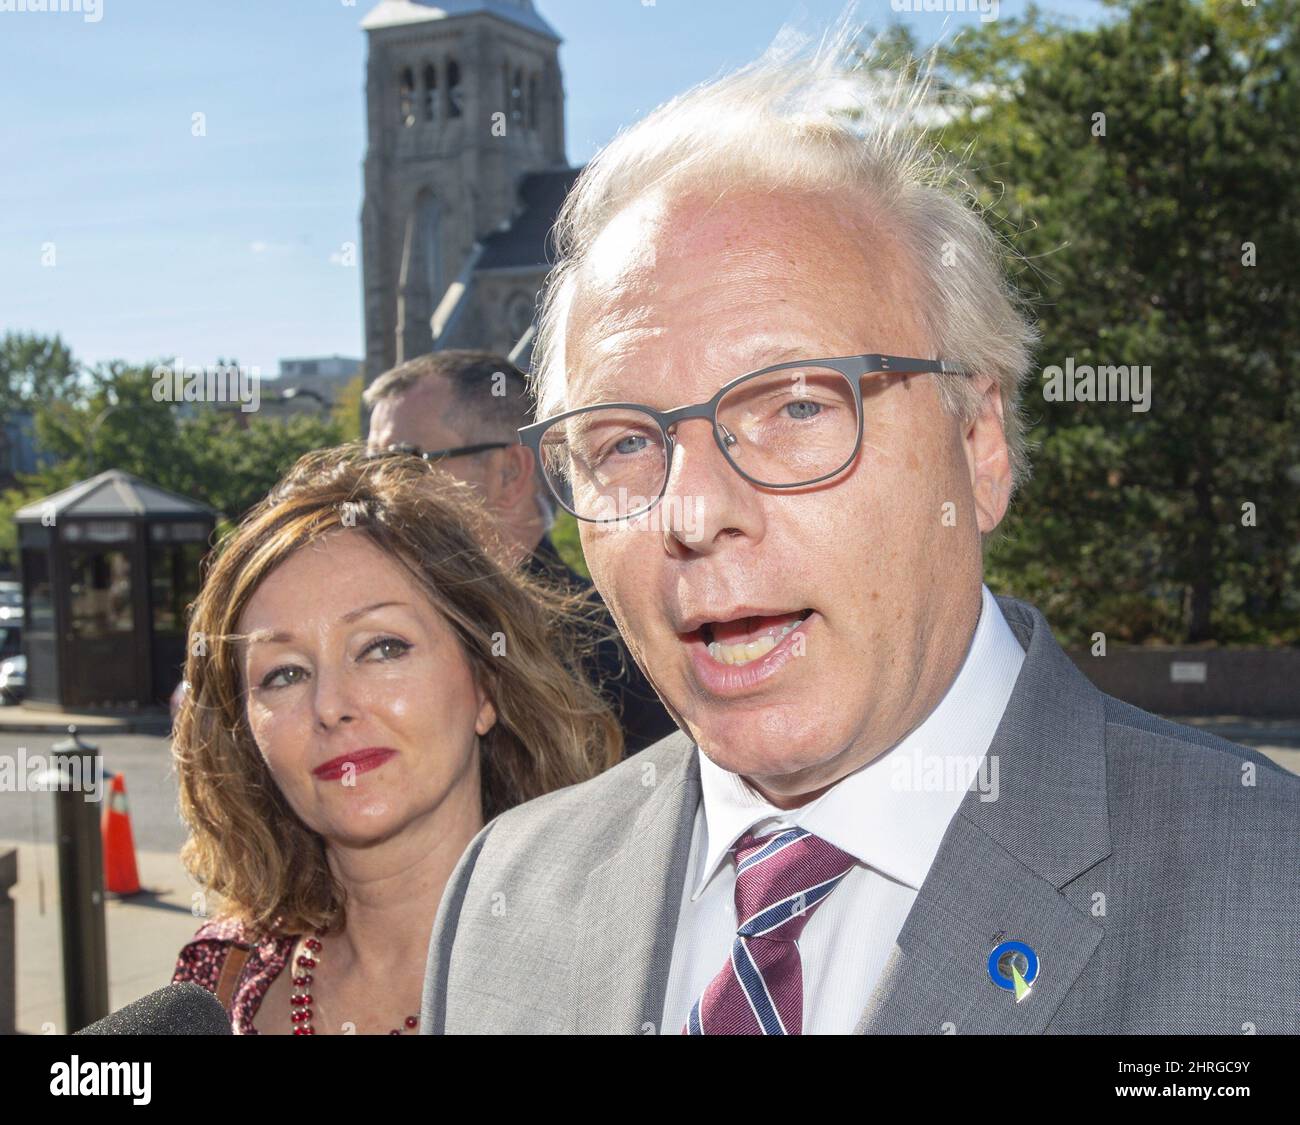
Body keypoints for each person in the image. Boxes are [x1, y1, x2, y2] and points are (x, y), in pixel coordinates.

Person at [419, 23, 1300, 1035]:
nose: (695, 514)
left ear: (977, 445)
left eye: (796, 408)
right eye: (622, 443)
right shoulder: (505, 896)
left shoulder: (1268, 894)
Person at [170, 445, 621, 1033]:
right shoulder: (216, 984)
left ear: (485, 685)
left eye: (383, 648)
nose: (330, 707)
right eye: (284, 674)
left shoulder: (621, 974)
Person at [364, 349, 676, 753]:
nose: (373, 487)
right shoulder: (396, 634)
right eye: (370, 465)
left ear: (509, 472)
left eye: (402, 462)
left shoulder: (621, 652)